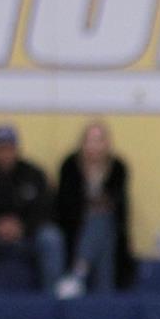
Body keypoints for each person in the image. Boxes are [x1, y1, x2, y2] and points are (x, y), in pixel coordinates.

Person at [0, 124, 63, 292]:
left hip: (27, 234)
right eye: (1, 148)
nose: (5, 153)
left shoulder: (33, 173)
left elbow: (45, 208)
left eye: (9, 148)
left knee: (51, 237)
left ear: (17, 149)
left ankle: (53, 296)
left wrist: (22, 227)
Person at [52, 120, 134, 296]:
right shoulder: (70, 166)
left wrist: (99, 205)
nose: (94, 146)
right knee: (99, 223)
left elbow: (119, 206)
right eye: (90, 140)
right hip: (75, 229)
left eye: (99, 140)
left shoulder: (117, 168)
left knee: (103, 222)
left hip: (110, 229)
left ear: (107, 143)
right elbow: (65, 205)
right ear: (82, 143)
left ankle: (79, 273)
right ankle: (104, 290)